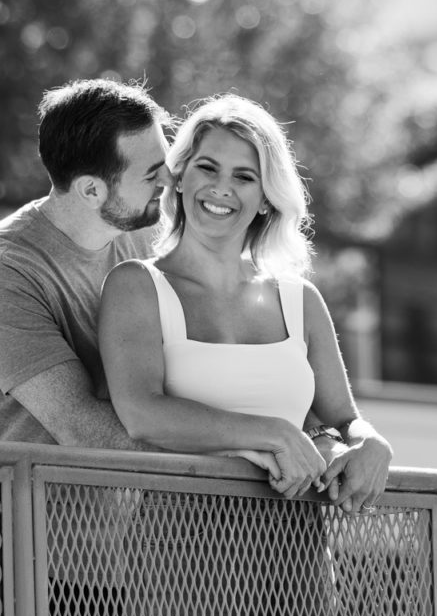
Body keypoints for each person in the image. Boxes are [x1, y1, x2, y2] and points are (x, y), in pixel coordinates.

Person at [98, 93, 393, 511]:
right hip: (175, 543)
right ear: (179, 176)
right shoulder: (137, 286)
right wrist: (274, 432)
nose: (222, 188)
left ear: (267, 198)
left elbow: (344, 420)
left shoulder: (299, 299)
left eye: (244, 177)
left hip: (297, 545)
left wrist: (371, 441)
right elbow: (142, 415)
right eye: (207, 167)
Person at [0, 76, 172, 616]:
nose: (170, 181)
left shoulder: (142, 233)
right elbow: (78, 425)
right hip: (16, 562)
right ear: (94, 190)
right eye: (152, 174)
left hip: (117, 551)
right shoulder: (1, 272)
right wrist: (235, 454)